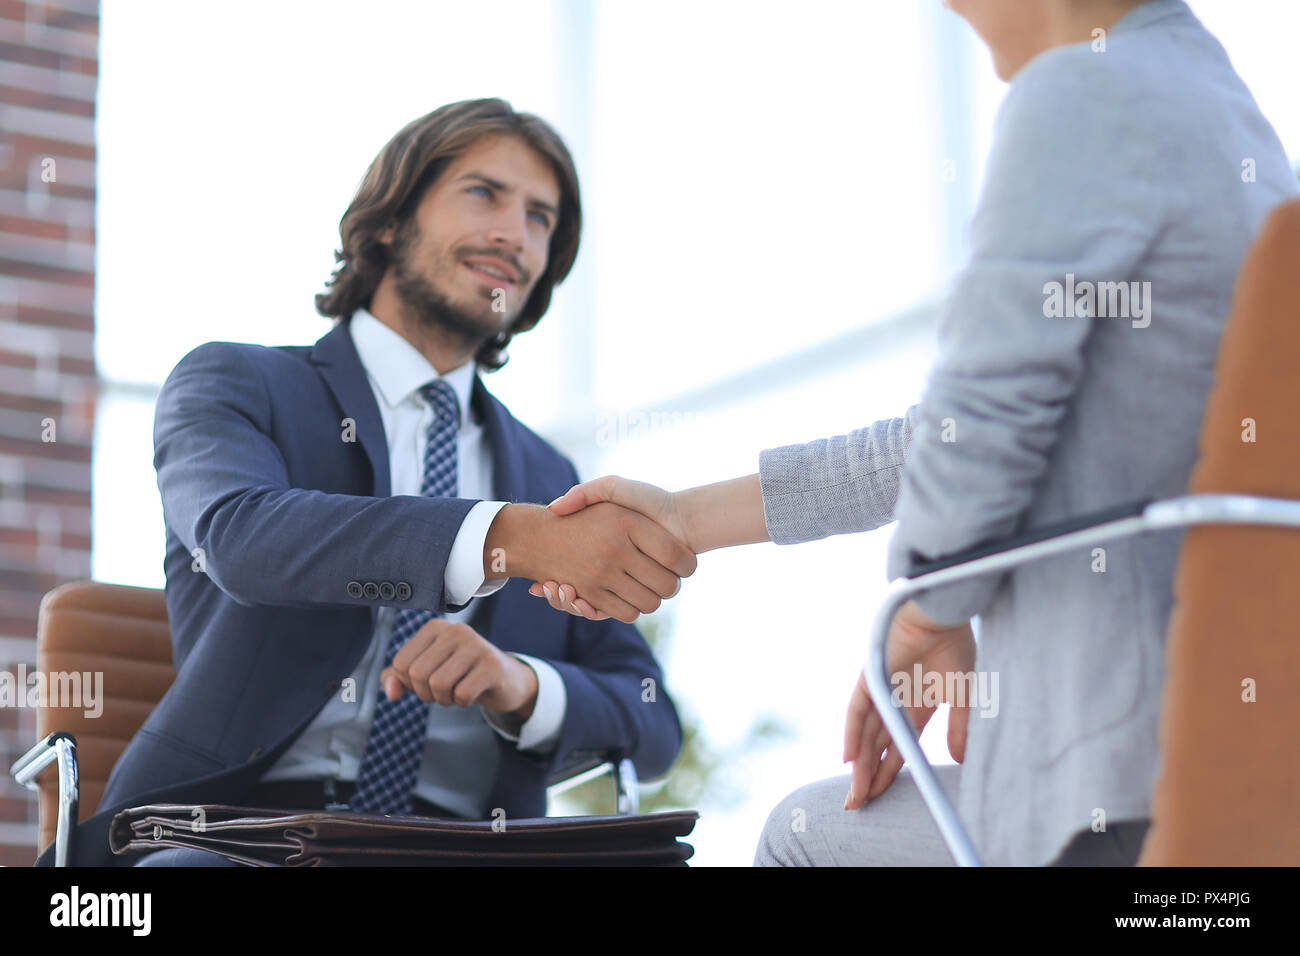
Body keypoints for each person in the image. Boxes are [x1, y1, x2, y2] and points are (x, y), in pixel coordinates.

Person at [530, 0, 1300, 865]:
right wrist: (683, 521)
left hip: (1107, 781)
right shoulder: (1232, 126)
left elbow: (976, 433)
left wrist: (924, 607)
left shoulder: (1083, 96)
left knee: (805, 838)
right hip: (1235, 767)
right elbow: (949, 438)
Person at [35, 99, 693, 868]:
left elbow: (651, 723)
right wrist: (500, 540)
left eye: (541, 218)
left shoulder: (551, 477)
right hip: (237, 835)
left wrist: (522, 685)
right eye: (484, 193)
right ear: (388, 222)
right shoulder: (240, 383)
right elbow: (243, 539)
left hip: (472, 849)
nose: (515, 235)